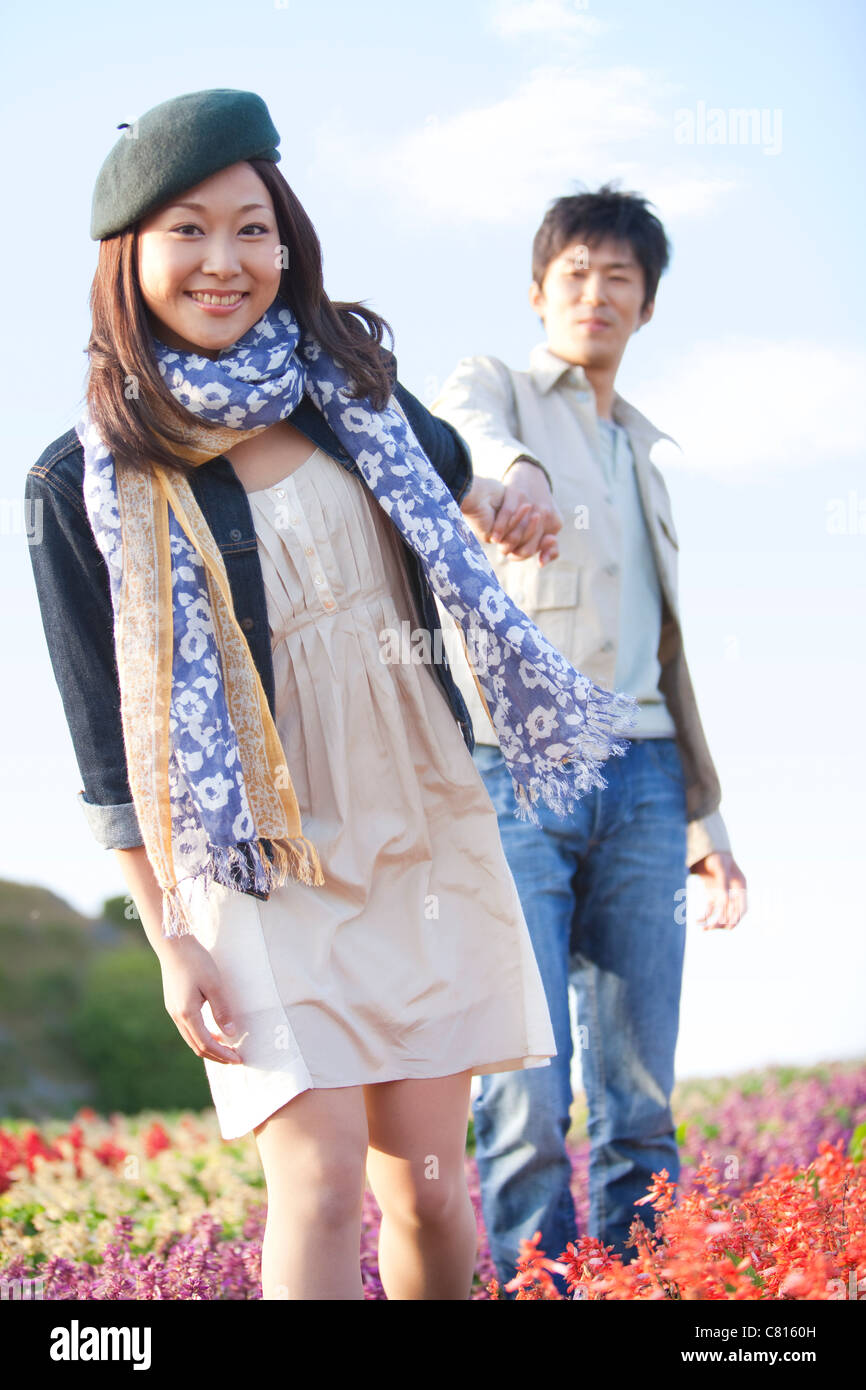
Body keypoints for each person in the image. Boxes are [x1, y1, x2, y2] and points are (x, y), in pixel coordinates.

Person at [24, 92, 637, 1301]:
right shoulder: (78, 480)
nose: (225, 261)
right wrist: (168, 938)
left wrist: (508, 478)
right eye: (186, 231)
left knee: (429, 1191)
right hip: (252, 852)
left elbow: (460, 465)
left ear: (287, 242)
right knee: (316, 1182)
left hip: (417, 818)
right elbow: (103, 743)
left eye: (253, 229)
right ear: (129, 256)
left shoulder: (350, 389)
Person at [432, 184, 748, 1295]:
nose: (595, 292)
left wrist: (705, 820)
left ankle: (641, 1291)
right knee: (520, 1088)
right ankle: (534, 1290)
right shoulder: (496, 388)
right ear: (537, 289)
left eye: (619, 277)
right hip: (515, 768)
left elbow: (662, 653)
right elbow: (464, 435)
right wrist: (508, 472)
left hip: (650, 779)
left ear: (645, 306)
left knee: (640, 1096)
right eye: (574, 271)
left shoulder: (643, 459)